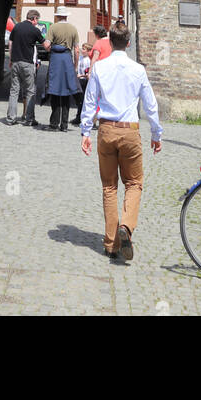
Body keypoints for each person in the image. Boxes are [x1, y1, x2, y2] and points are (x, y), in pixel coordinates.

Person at [80, 21, 162, 261]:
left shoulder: (99, 68)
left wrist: (85, 132)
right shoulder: (138, 70)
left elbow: (89, 100)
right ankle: (125, 227)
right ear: (128, 43)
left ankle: (110, 244)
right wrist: (156, 135)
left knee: (109, 187)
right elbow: (150, 105)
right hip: (129, 131)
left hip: (106, 130)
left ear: (110, 42)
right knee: (134, 183)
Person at [6, 9, 45, 126]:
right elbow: (45, 44)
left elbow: (10, 43)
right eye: (37, 20)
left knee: (14, 91)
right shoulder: (35, 30)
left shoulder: (16, 27)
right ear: (34, 19)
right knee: (30, 91)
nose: (37, 23)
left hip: (16, 62)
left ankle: (11, 118)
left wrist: (11, 59)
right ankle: (29, 119)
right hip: (27, 63)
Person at [44, 7, 80, 132]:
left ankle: (54, 124)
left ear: (58, 16)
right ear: (66, 16)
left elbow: (47, 45)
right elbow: (76, 50)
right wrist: (75, 66)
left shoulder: (53, 27)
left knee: (54, 90)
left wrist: (51, 49)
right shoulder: (73, 28)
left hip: (56, 60)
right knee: (66, 92)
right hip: (67, 60)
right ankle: (64, 125)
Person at [72, 42, 91, 124]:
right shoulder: (80, 58)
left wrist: (80, 75)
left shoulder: (88, 60)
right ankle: (78, 116)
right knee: (78, 99)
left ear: (88, 51)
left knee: (82, 99)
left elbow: (87, 73)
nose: (82, 50)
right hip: (79, 79)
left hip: (83, 80)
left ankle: (80, 117)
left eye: (84, 49)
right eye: (82, 48)